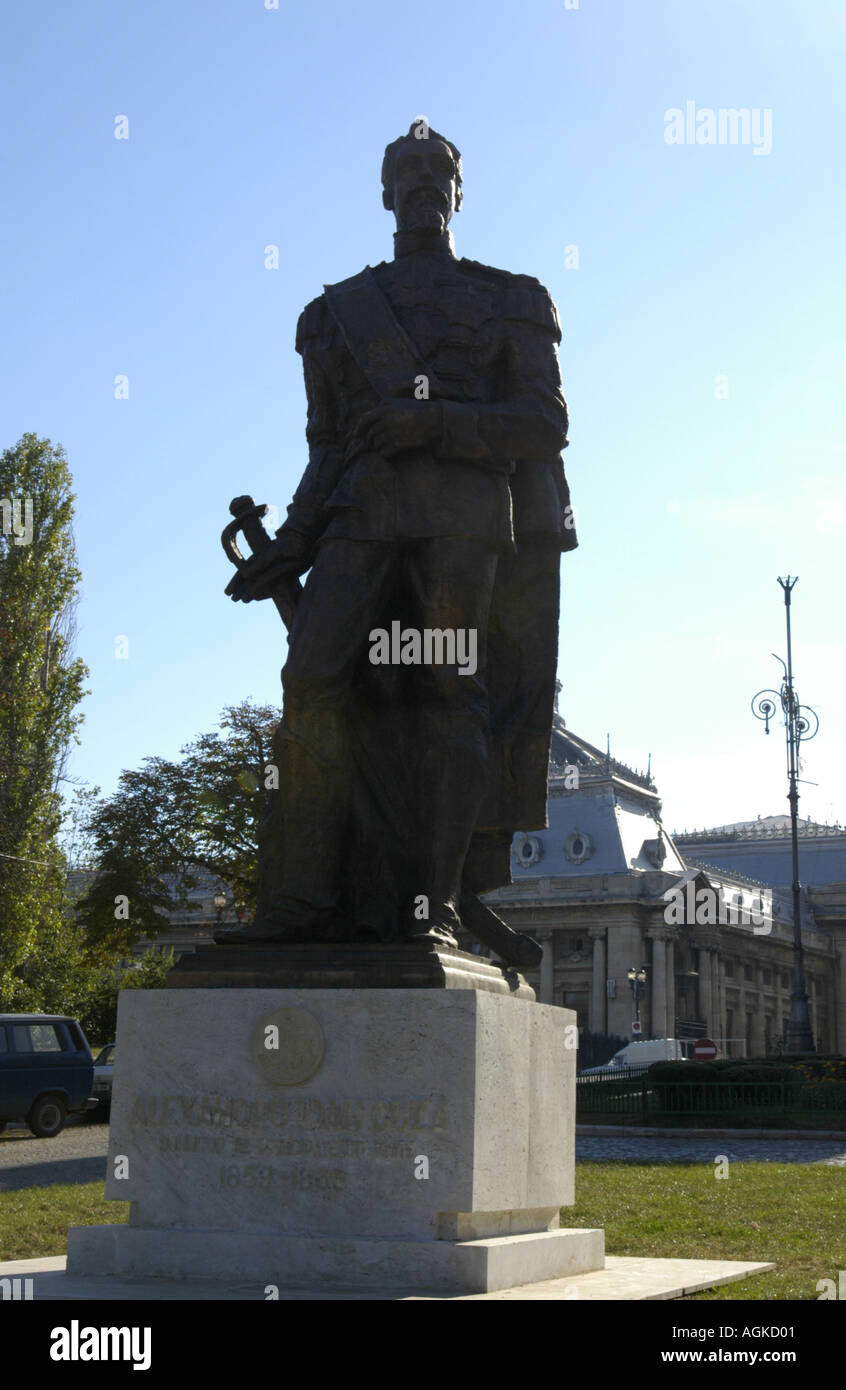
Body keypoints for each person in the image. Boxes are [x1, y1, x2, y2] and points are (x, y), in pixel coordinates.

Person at [219, 123, 576, 949]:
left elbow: (544, 423)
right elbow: (326, 447)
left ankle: (430, 905)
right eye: (405, 170)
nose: (420, 180)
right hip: (358, 520)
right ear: (385, 193)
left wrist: (432, 423)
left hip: (464, 523)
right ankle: (300, 904)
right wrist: (293, 541)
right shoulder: (332, 314)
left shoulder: (510, 296)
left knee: (445, 696)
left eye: (436, 169)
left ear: (458, 191)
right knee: (310, 685)